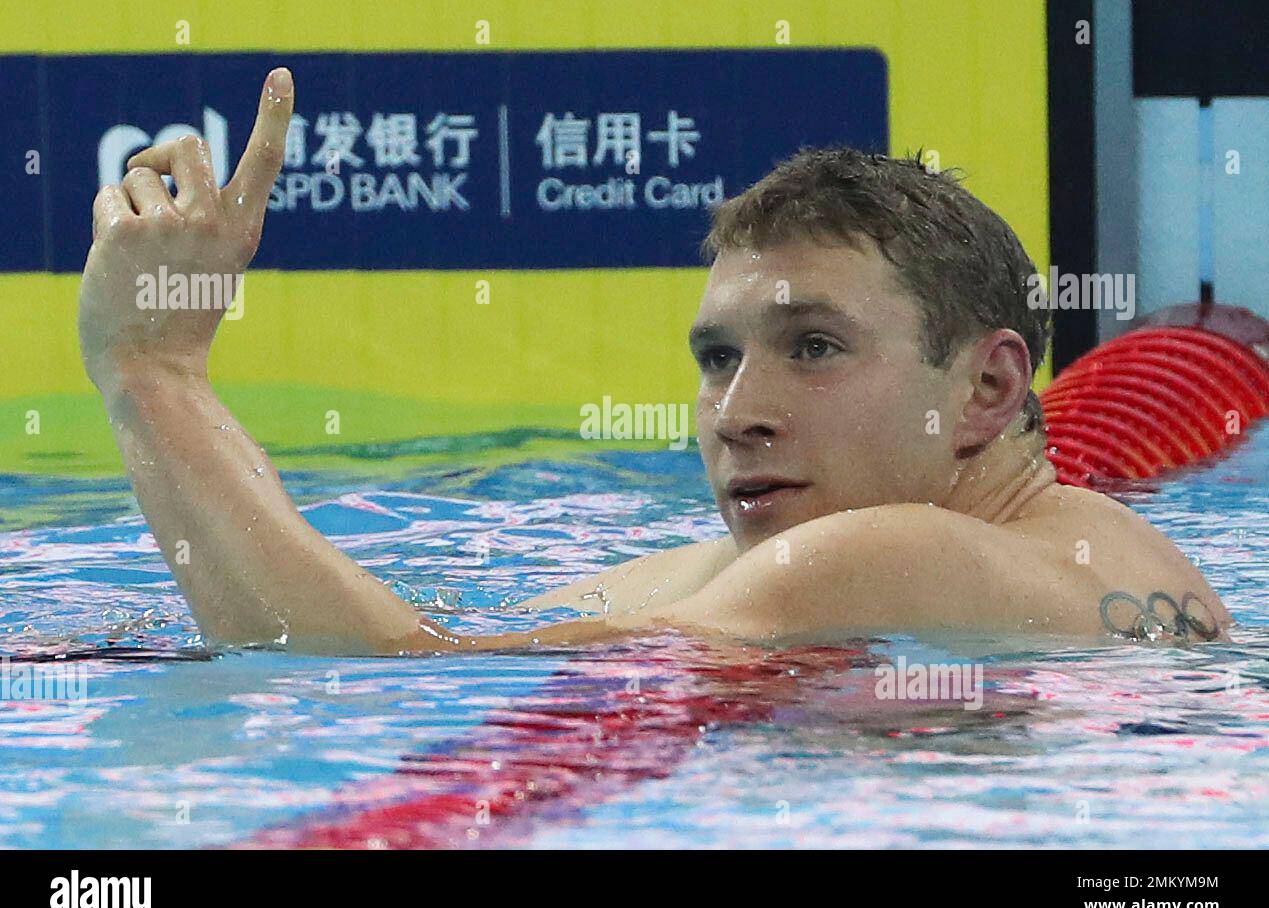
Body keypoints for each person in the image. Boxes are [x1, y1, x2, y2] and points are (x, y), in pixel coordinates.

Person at [77, 68, 1233, 656]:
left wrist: (155, 370)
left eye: (814, 348)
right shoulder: (1102, 547)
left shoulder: (894, 547)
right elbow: (459, 632)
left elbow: (368, 671)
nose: (739, 413)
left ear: (986, 388)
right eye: (717, 357)